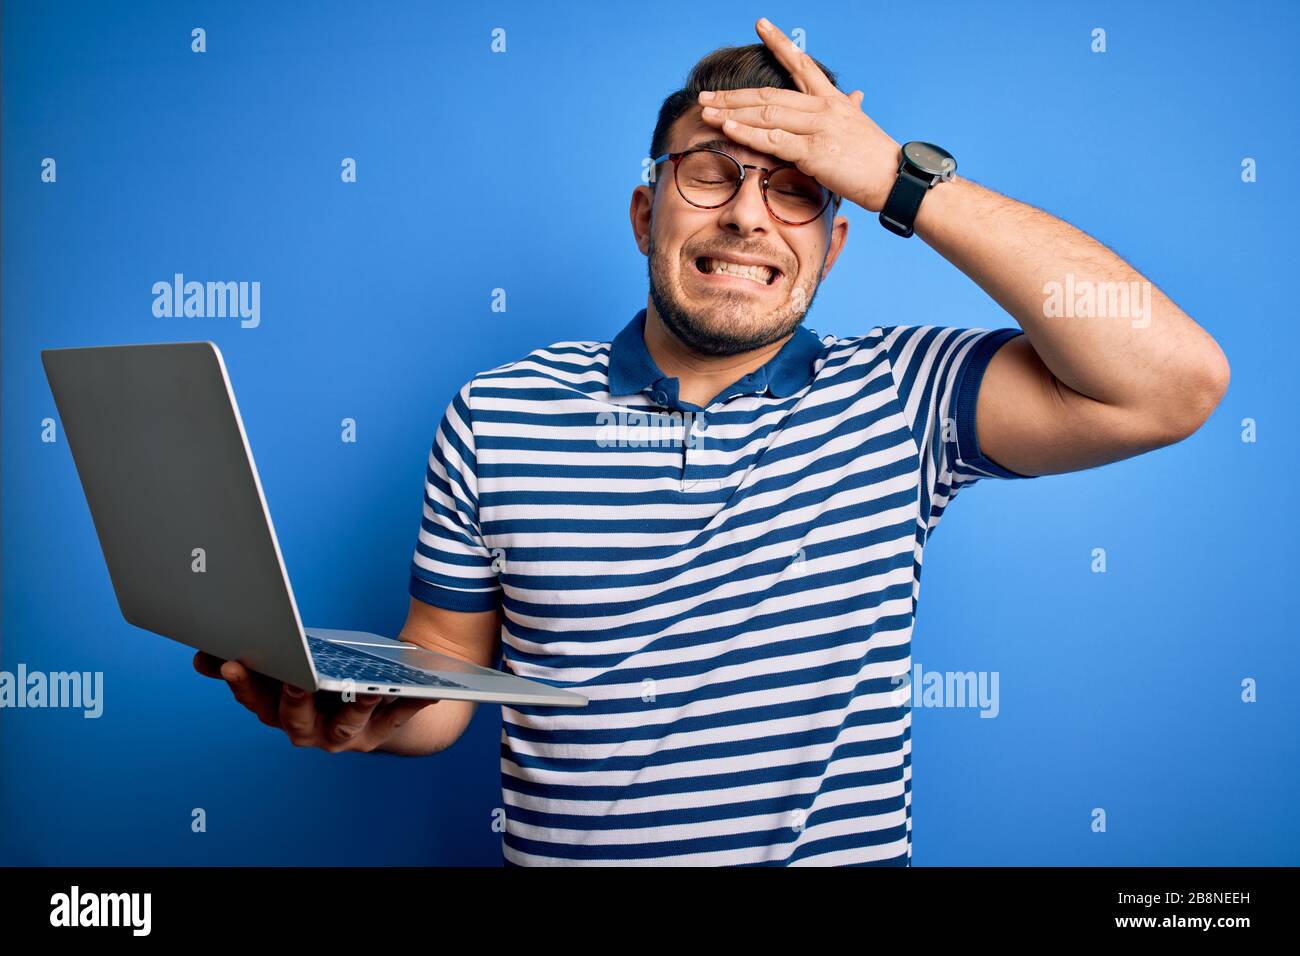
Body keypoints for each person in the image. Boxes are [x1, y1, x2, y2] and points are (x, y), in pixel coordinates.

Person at [196, 18, 1229, 865]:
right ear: (647, 211)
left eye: (794, 187)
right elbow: (444, 681)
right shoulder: (494, 412)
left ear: (833, 242)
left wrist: (893, 177)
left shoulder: (903, 395)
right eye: (710, 175)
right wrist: (369, 710)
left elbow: (1174, 382)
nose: (746, 217)